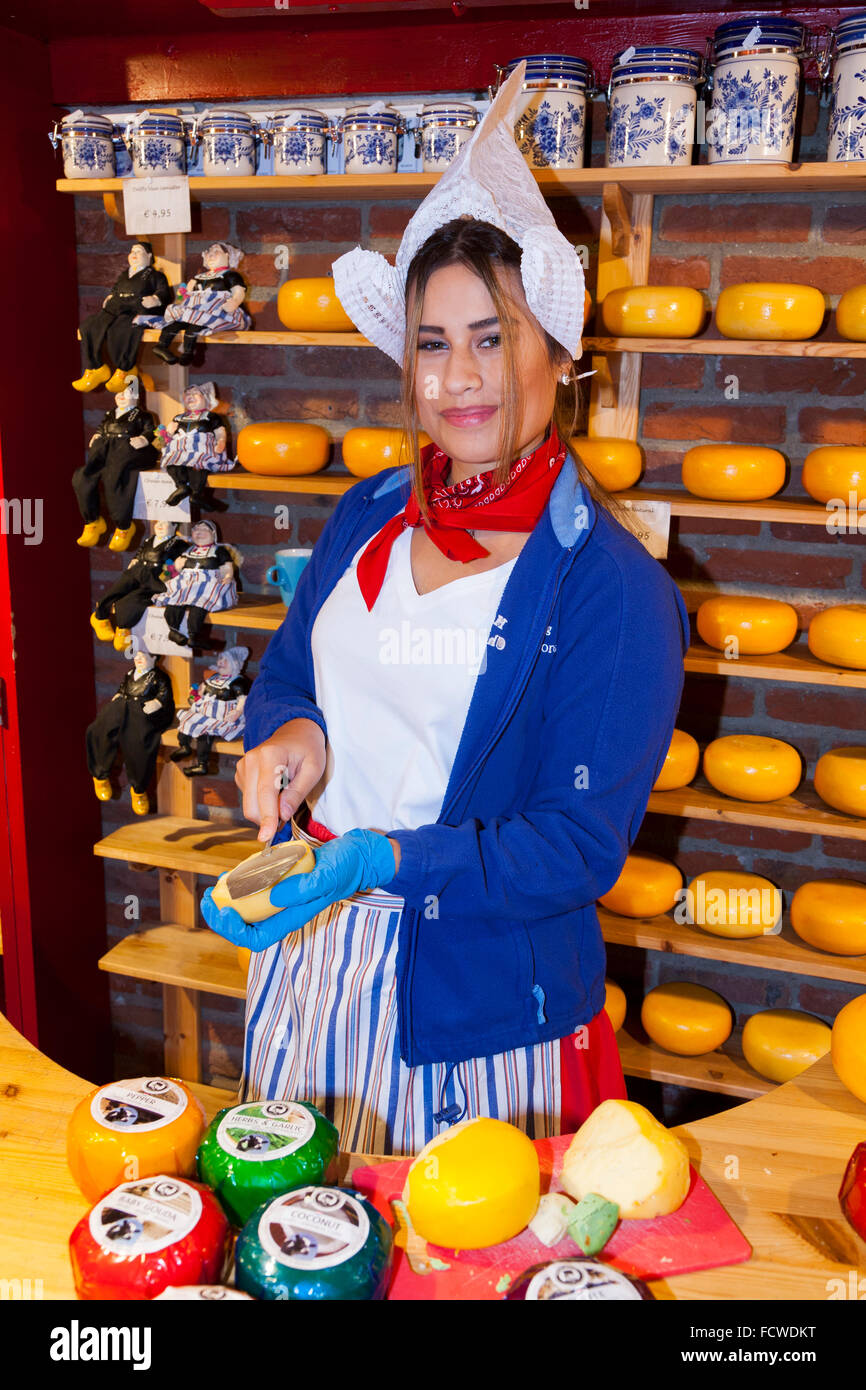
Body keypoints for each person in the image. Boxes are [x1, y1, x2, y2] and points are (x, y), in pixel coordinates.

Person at [201, 64, 690, 1157]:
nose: (459, 377)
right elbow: (291, 671)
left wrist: (382, 860)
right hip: (309, 957)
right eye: (432, 341)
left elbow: (569, 850)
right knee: (307, 1241)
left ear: (558, 359)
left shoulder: (609, 589)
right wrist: (290, 736)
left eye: (492, 335)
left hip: (473, 1009)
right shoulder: (370, 510)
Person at [85, 638, 174, 816]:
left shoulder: (158, 677)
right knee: (98, 729)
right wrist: (118, 695)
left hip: (143, 711)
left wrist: (157, 702)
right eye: (137, 655)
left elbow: (164, 695)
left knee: (138, 742)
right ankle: (100, 774)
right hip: (124, 706)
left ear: (154, 658)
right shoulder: (130, 674)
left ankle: (138, 789)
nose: (139, 658)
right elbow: (122, 689)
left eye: (144, 655)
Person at [71, 374, 158, 552]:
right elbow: (102, 427)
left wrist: (144, 438)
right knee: (83, 475)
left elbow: (151, 430)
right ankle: (92, 521)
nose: (120, 396)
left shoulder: (141, 415)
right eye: (118, 393)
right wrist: (98, 435)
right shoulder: (111, 413)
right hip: (107, 449)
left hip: (130, 450)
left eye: (125, 392)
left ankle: (123, 526)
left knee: (114, 477)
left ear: (135, 395)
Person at [72, 240, 172, 394]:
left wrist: (156, 299)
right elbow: (116, 288)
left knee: (121, 328)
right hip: (117, 307)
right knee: (89, 325)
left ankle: (125, 368)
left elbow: (164, 292)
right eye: (132, 252)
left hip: (137, 309)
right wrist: (110, 296)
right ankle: (95, 367)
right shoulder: (125, 274)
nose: (134, 255)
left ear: (149, 256)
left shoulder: (155, 275)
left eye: (138, 251)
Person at [90, 519, 187, 651]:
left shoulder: (178, 545)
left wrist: (172, 569)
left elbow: (175, 565)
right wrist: (135, 559)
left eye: (164, 523)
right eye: (158, 523)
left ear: (175, 526)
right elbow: (140, 552)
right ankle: (100, 616)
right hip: (137, 573)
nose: (159, 526)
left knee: (134, 600)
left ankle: (123, 629)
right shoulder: (149, 540)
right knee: (119, 589)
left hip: (154, 580)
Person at [150, 242, 249, 365]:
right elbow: (187, 293)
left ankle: (188, 352)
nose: (211, 255)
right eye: (209, 252)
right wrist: (183, 296)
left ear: (228, 256)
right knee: (175, 324)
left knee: (194, 328)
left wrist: (235, 302)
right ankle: (161, 346)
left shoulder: (230, 276)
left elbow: (238, 291)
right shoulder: (199, 277)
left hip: (214, 310)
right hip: (193, 307)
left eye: (216, 252)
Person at [152, 518, 240, 648]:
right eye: (196, 529)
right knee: (174, 602)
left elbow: (227, 567)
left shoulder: (219, 551)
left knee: (199, 606)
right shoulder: (187, 551)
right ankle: (173, 631)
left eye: (204, 529)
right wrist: (175, 567)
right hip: (186, 583)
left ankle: (194, 636)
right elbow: (167, 573)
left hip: (207, 584)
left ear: (213, 534)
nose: (199, 532)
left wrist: (227, 576)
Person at [171, 645, 249, 777]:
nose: (220, 663)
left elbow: (243, 699)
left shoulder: (238, 682)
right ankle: (184, 745)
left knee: (204, 732)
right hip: (205, 712)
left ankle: (202, 764)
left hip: (221, 717)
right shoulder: (213, 678)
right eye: (219, 659)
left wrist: (237, 711)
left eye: (225, 660)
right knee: (187, 719)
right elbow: (201, 692)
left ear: (235, 664)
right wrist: (195, 696)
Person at [157, 381, 235, 508]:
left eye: (195, 393)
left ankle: (197, 494)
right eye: (187, 394)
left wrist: (220, 442)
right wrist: (165, 434)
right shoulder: (178, 418)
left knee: (198, 465)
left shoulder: (210, 417)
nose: (190, 396)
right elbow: (164, 439)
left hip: (201, 448)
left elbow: (220, 432)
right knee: (173, 463)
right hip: (179, 449)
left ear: (206, 398)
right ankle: (181, 487)